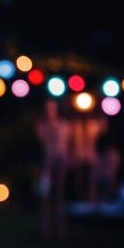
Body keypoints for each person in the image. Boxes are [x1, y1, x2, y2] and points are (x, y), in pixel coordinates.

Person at [36, 99, 71, 240]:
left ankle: (61, 230)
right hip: (46, 163)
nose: (50, 110)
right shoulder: (42, 125)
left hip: (60, 162)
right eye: (48, 108)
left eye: (52, 108)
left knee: (60, 195)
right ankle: (45, 229)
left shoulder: (64, 124)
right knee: (45, 195)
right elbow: (41, 139)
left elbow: (66, 143)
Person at [70, 111, 108, 203]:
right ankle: (79, 199)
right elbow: (70, 141)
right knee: (79, 179)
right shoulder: (75, 125)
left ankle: (91, 200)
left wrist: (101, 112)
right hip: (78, 156)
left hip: (91, 157)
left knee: (92, 180)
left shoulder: (94, 125)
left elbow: (104, 129)